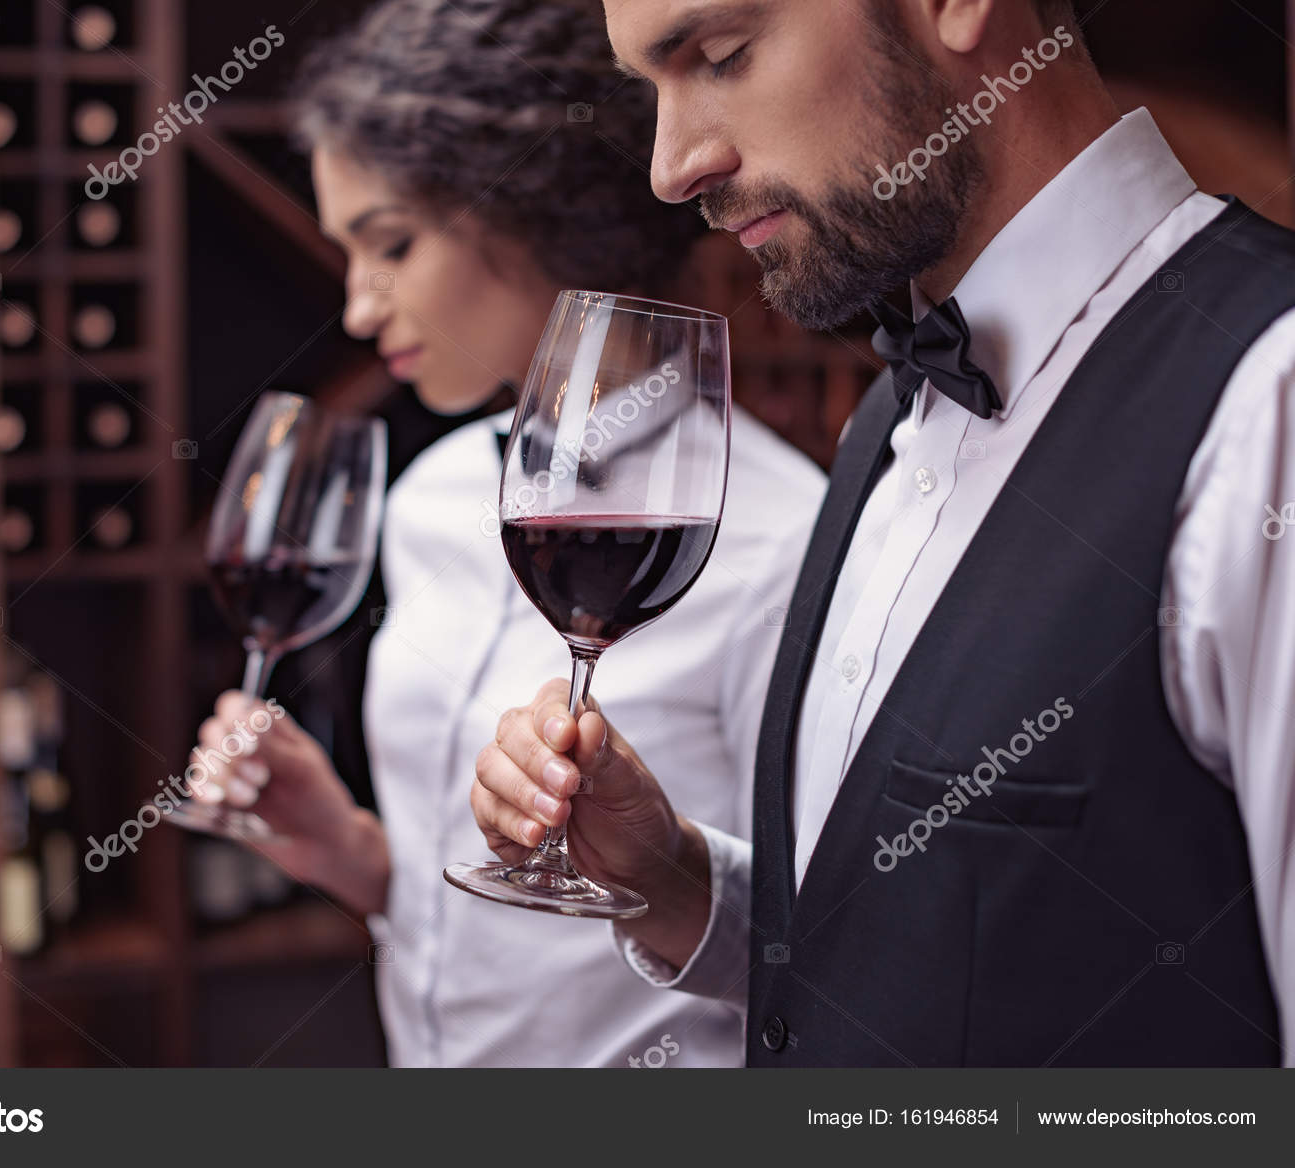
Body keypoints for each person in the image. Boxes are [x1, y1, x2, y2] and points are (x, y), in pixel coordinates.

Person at [472, 0, 1295, 1066]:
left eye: (720, 57)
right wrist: (674, 880)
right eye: (650, 90)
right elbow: (931, 962)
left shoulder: (1269, 405)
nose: (670, 167)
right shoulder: (889, 417)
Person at [190, 0, 826, 1067]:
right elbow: (478, 917)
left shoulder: (779, 546)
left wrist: (663, 875)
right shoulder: (429, 497)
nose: (357, 306)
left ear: (540, 211)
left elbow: (842, 962)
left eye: (389, 244)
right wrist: (351, 854)